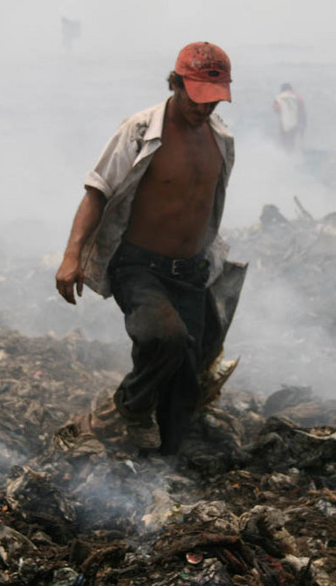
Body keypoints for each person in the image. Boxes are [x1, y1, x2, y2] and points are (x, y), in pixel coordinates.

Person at [54, 41, 244, 455]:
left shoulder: (222, 140)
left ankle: (166, 463)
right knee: (165, 338)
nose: (204, 109)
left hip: (191, 271)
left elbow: (205, 206)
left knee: (185, 384)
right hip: (138, 266)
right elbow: (97, 191)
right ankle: (130, 408)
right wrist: (72, 257)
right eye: (196, 98)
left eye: (213, 100)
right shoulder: (141, 131)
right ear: (175, 83)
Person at [272, 82, 307, 151]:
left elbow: (276, 108)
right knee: (292, 140)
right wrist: (303, 124)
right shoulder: (297, 97)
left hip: (284, 123)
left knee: (284, 141)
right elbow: (302, 110)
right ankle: (292, 156)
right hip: (295, 123)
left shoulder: (279, 97)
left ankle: (284, 157)